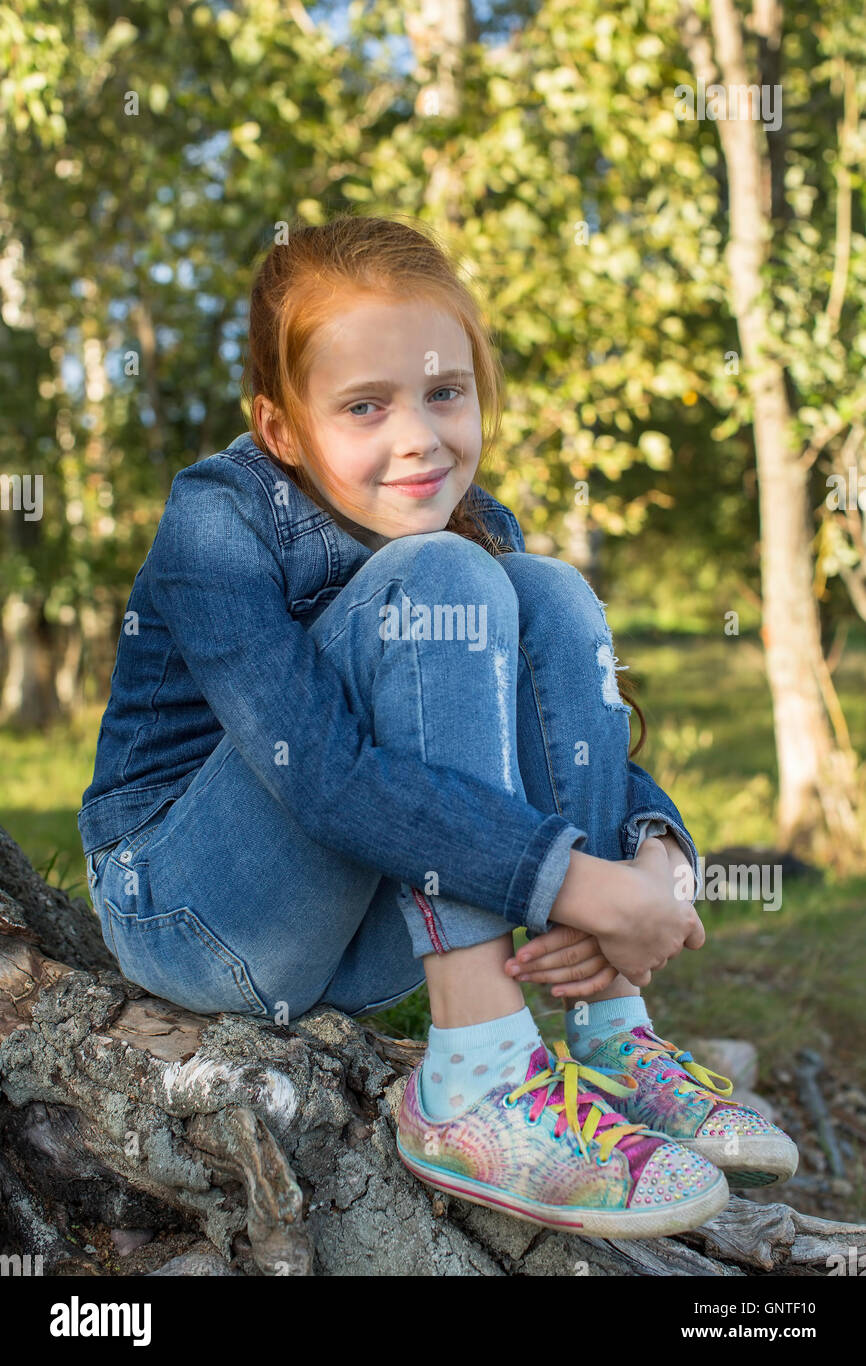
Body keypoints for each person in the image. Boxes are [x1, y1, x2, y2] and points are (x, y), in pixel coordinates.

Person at [79, 213, 797, 1239]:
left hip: (358, 928)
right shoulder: (216, 519)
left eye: (442, 393)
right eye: (365, 405)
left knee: (544, 590)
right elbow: (321, 773)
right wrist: (567, 881)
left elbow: (555, 732)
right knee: (443, 579)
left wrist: (654, 864)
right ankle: (475, 1076)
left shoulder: (473, 521)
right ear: (281, 428)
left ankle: (607, 1031)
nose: (416, 435)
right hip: (196, 914)